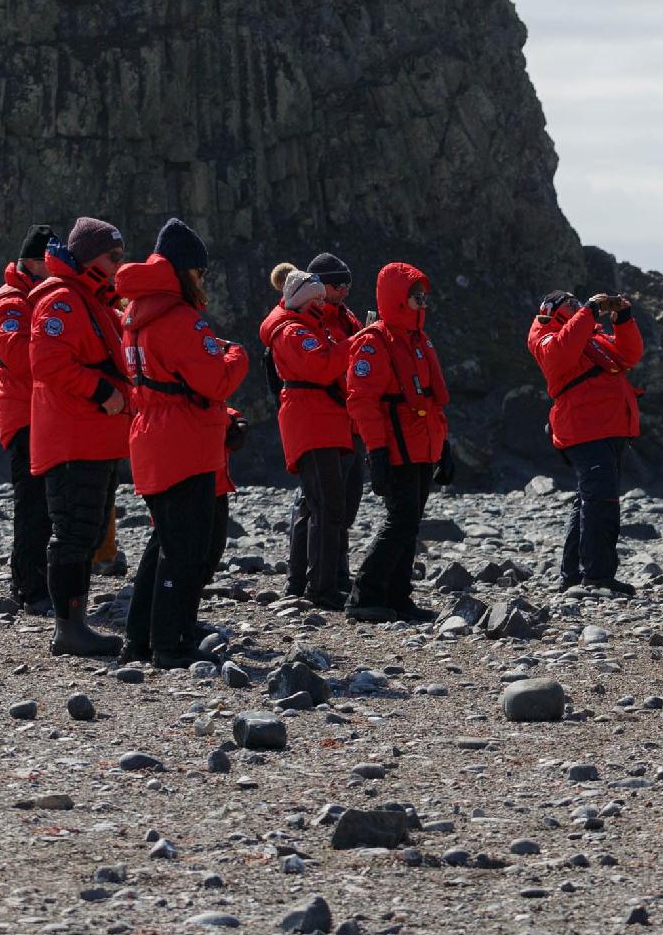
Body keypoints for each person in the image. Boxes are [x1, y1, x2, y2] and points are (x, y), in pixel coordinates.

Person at [116, 218, 250, 667]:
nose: (202, 280)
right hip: (184, 444)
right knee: (186, 550)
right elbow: (215, 381)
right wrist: (236, 355)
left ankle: (140, 638)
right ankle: (170, 643)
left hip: (152, 437)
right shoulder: (179, 319)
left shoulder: (137, 315)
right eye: (199, 271)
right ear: (183, 270)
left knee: (164, 544)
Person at [27, 215, 132, 657]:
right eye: (113, 256)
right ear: (90, 258)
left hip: (93, 437)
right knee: (74, 532)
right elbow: (48, 362)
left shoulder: (92, 300)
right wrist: (102, 391)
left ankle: (76, 623)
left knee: (86, 532)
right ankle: (68, 628)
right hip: (74, 438)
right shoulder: (64, 300)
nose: (119, 264)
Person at [346, 261, 452, 622]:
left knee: (410, 521)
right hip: (396, 448)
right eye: (416, 296)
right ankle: (364, 596)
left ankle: (397, 596)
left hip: (421, 446)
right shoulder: (374, 343)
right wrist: (376, 452)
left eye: (424, 296)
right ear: (397, 299)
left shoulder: (417, 340)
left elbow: (431, 401)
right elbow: (362, 401)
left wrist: (443, 447)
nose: (423, 302)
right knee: (401, 520)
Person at [528, 289, 643, 596]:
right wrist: (590, 310)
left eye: (579, 302)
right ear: (553, 309)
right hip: (585, 430)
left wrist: (623, 319)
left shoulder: (592, 336)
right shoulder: (544, 334)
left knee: (588, 501)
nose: (578, 305)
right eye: (571, 303)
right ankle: (598, 575)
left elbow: (630, 355)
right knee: (601, 502)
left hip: (609, 429)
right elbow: (560, 354)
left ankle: (573, 574)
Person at [262, 258, 361, 607]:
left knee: (329, 504)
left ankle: (324, 580)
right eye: (318, 296)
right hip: (314, 420)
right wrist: (356, 343)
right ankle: (318, 586)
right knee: (324, 504)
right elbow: (321, 366)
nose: (325, 302)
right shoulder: (295, 331)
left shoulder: (315, 325)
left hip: (327, 419)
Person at [0, 226, 55, 614]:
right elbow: (16, 355)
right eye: (49, 259)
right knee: (32, 504)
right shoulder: (9, 301)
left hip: (44, 413)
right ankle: (28, 584)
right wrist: (59, 349)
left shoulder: (38, 296)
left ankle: (41, 581)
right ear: (32, 262)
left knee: (47, 504)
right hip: (25, 414)